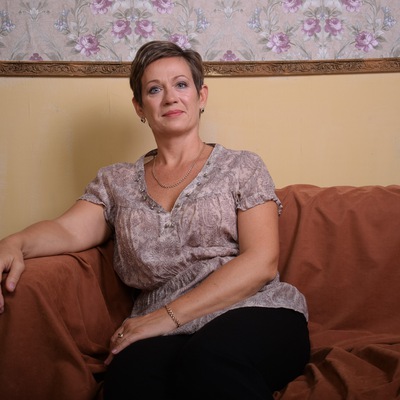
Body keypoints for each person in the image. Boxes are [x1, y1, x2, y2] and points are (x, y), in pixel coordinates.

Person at [0, 41, 309, 399]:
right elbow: (67, 229)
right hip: (161, 331)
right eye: (154, 89)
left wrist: (165, 317)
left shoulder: (243, 167)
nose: (170, 97)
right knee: (128, 381)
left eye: (181, 84)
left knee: (209, 360)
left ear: (201, 96)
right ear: (139, 107)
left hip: (254, 310)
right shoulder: (116, 182)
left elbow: (261, 262)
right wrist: (15, 243)